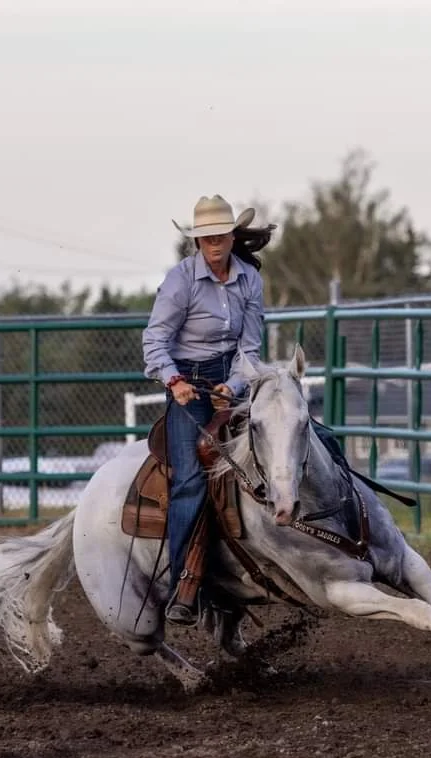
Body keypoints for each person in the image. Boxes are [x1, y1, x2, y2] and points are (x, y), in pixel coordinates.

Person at [142, 195, 272, 625]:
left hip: (230, 378)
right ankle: (185, 581)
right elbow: (155, 340)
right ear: (199, 241)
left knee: (280, 446)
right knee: (191, 479)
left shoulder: (249, 280)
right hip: (187, 380)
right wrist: (175, 382)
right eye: (207, 237)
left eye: (221, 235)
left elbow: (250, 348)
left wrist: (232, 386)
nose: (214, 242)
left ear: (232, 237)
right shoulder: (180, 281)